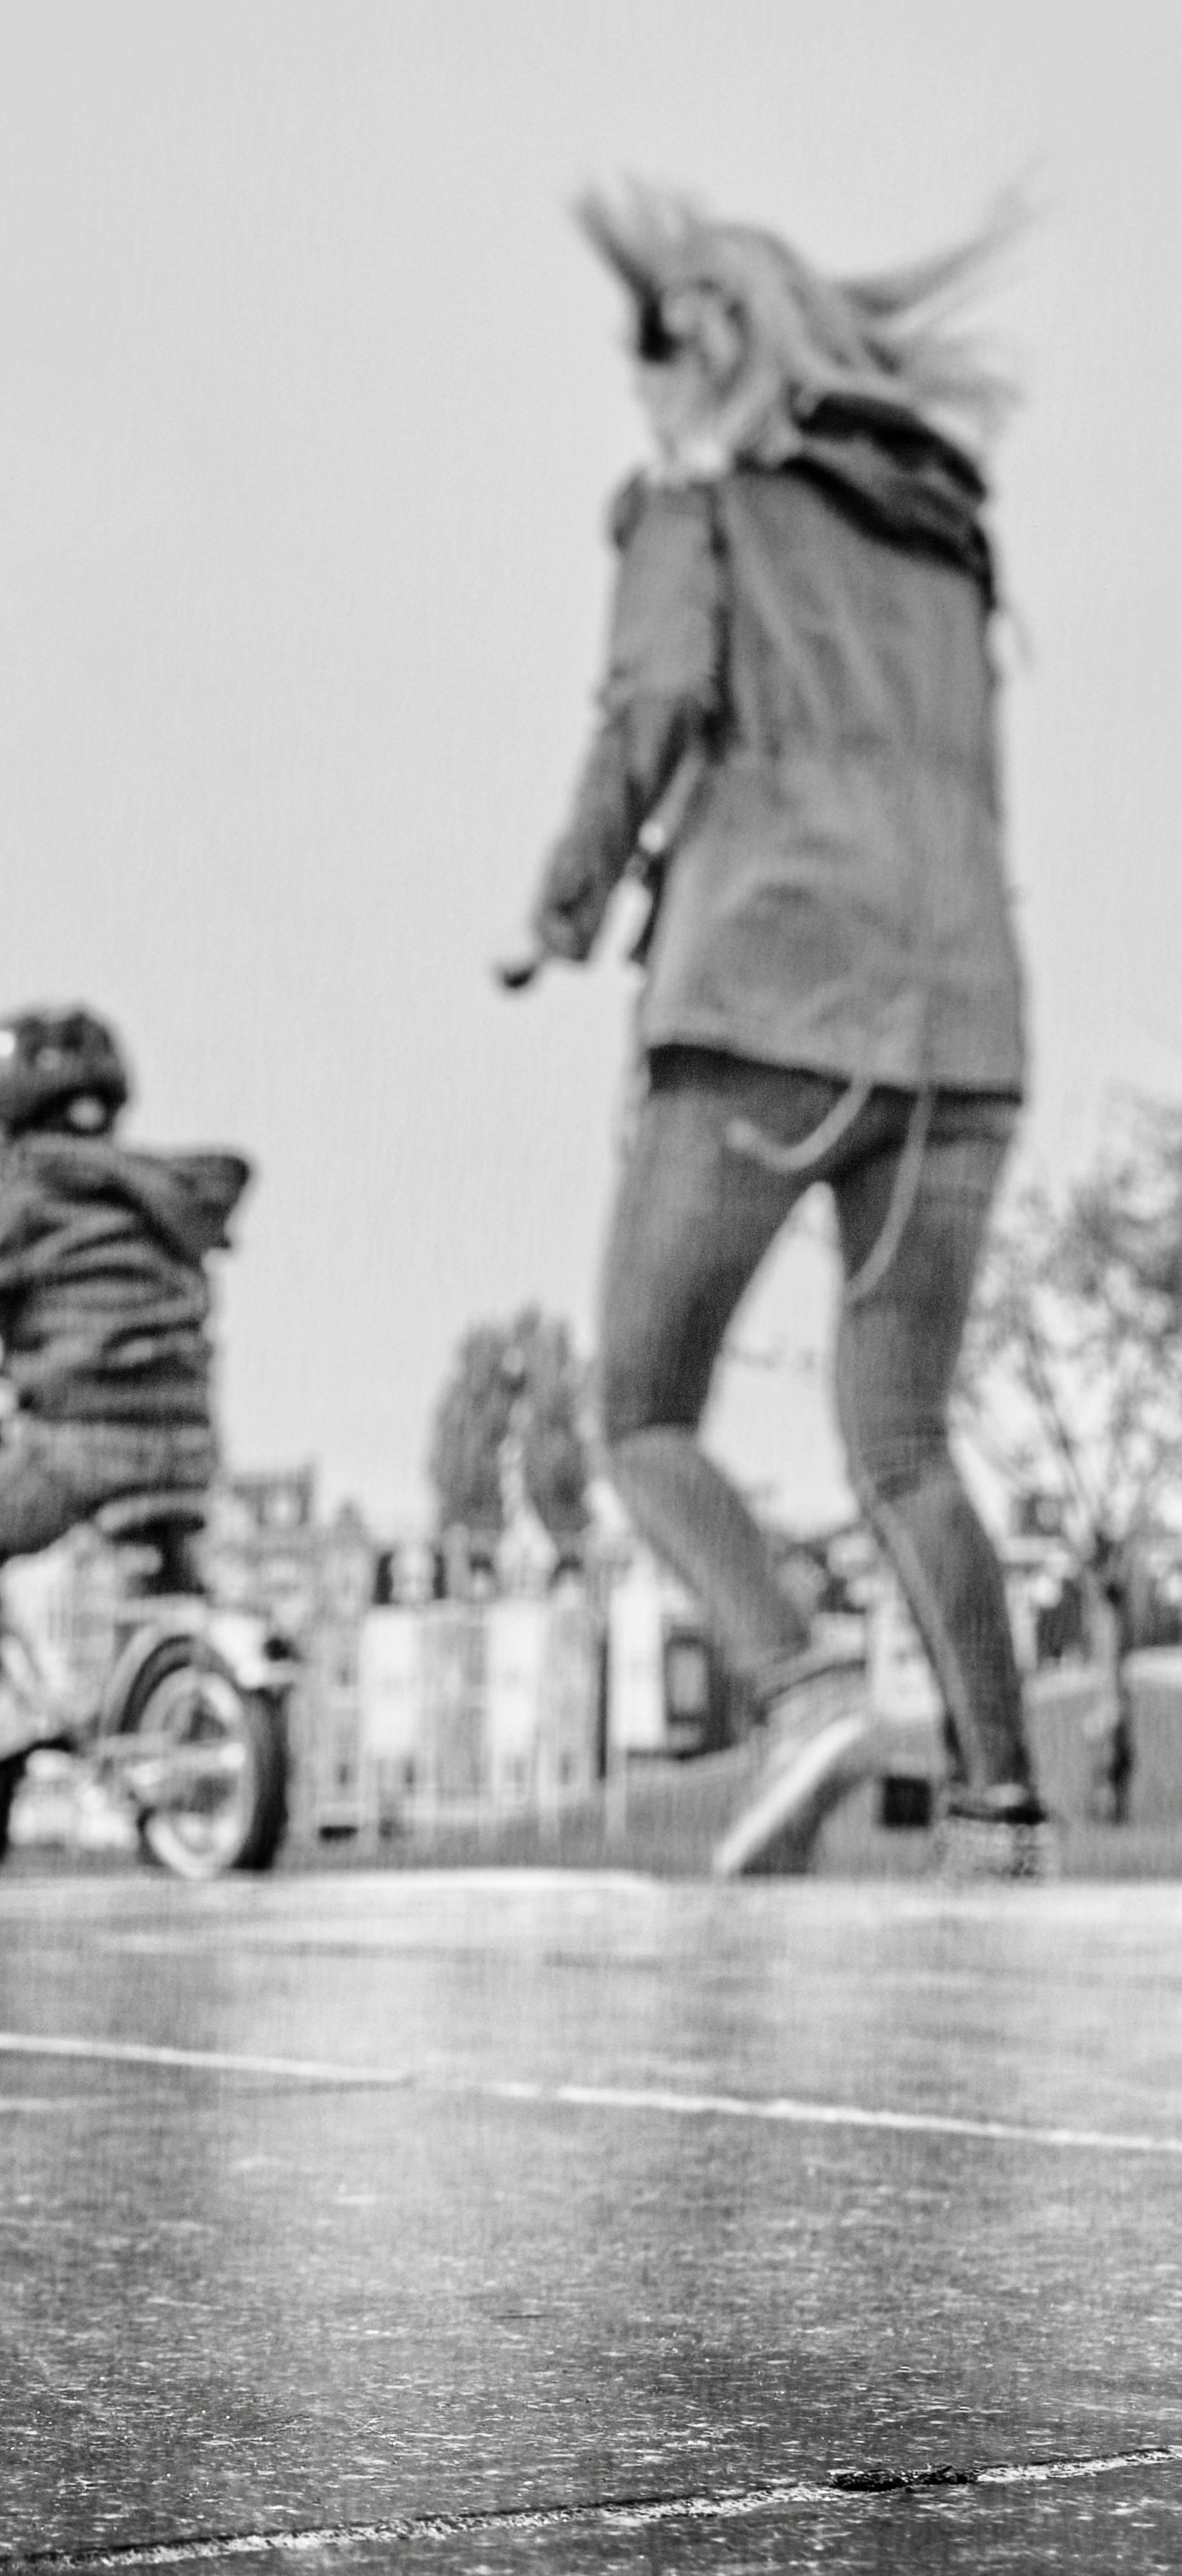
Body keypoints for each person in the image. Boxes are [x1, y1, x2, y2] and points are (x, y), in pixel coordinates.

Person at [497, 186, 1054, 1879]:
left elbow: (651, 712)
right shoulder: (942, 541)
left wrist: (563, 910)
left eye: (651, 372)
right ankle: (1001, 1804)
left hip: (759, 997)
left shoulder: (701, 510)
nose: (646, 410)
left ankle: (797, 1677)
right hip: (960, 1019)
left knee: (643, 1412)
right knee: (902, 1438)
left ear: (705, 348)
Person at [0, 1007, 250, 1732]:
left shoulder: (31, 1200)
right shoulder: (157, 1201)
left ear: (6, 1131)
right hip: (187, 1444)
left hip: (83, 1439)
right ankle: (163, 1714)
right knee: (163, 1591)